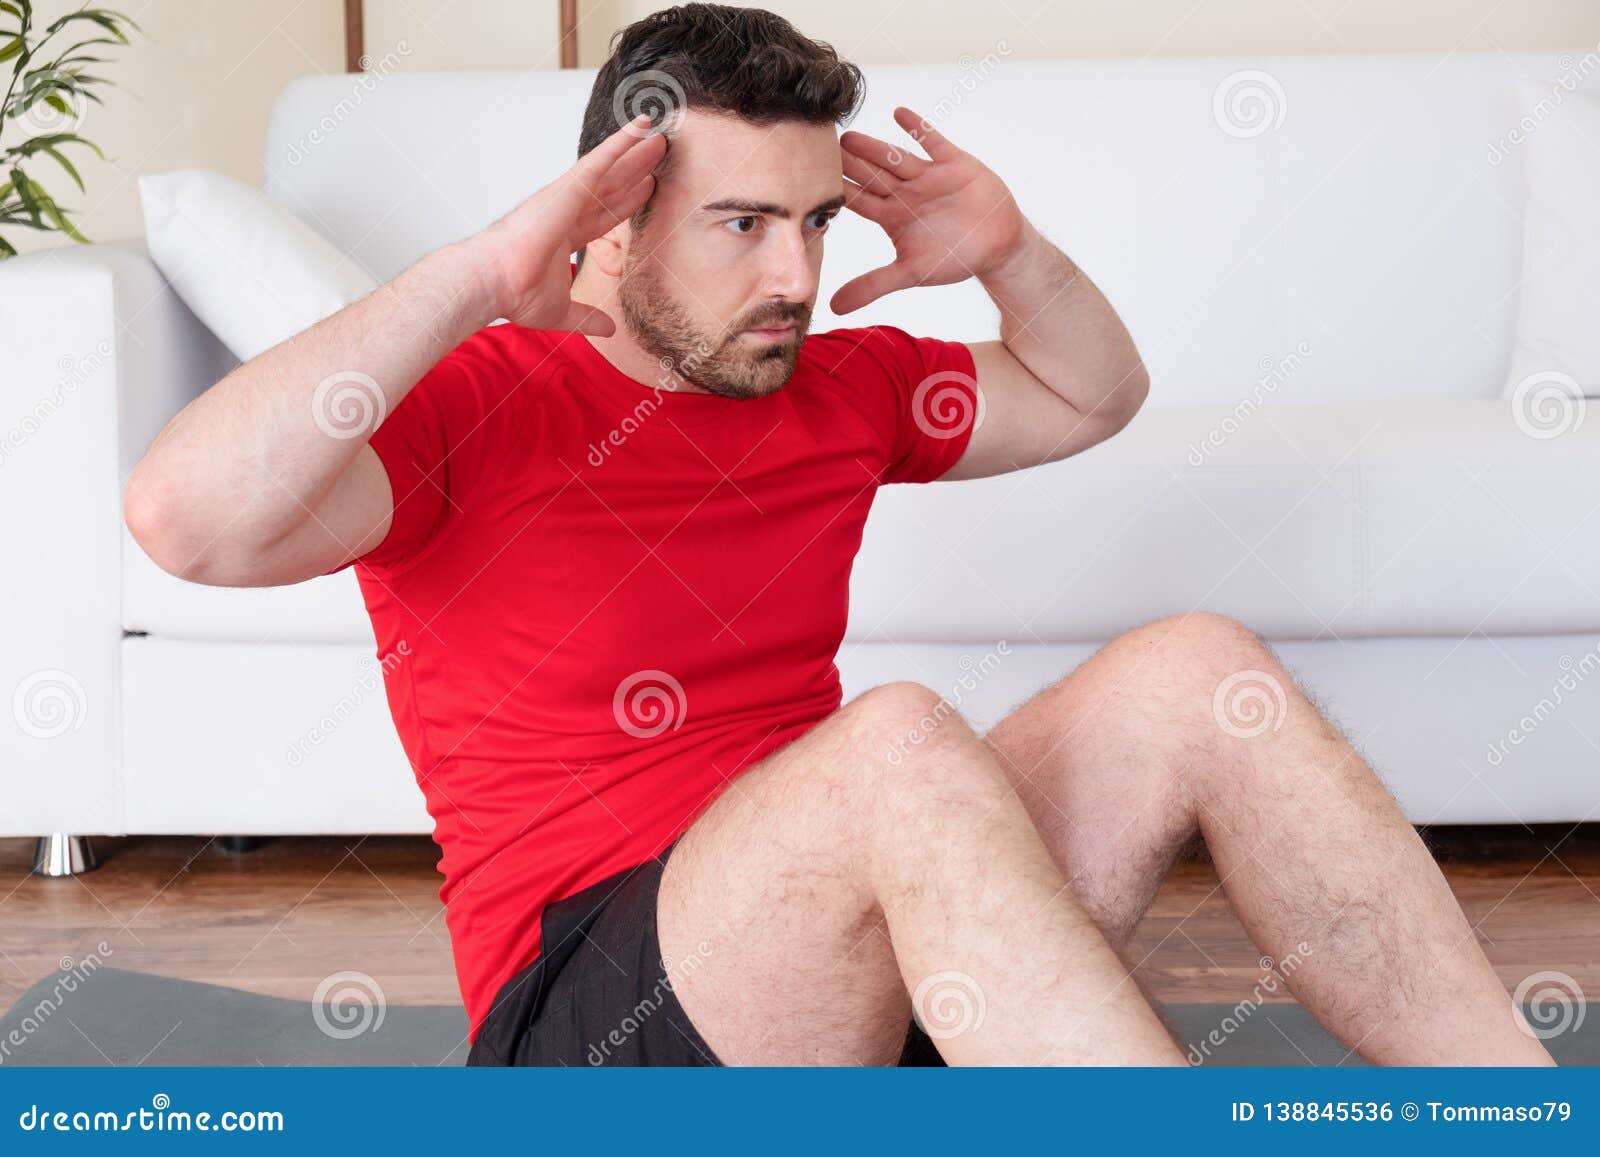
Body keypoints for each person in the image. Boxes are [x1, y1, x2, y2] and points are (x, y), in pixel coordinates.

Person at [123, 4, 1553, 1066]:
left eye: (813, 222)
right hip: (595, 1031)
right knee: (895, 744)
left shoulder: (831, 388)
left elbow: (1090, 393)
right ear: (614, 221)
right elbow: (181, 516)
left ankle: (1508, 1108)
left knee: (1197, 663)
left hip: (871, 967)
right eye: (744, 223)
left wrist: (1010, 253)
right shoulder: (472, 403)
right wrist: (486, 271)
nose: (800, 274)